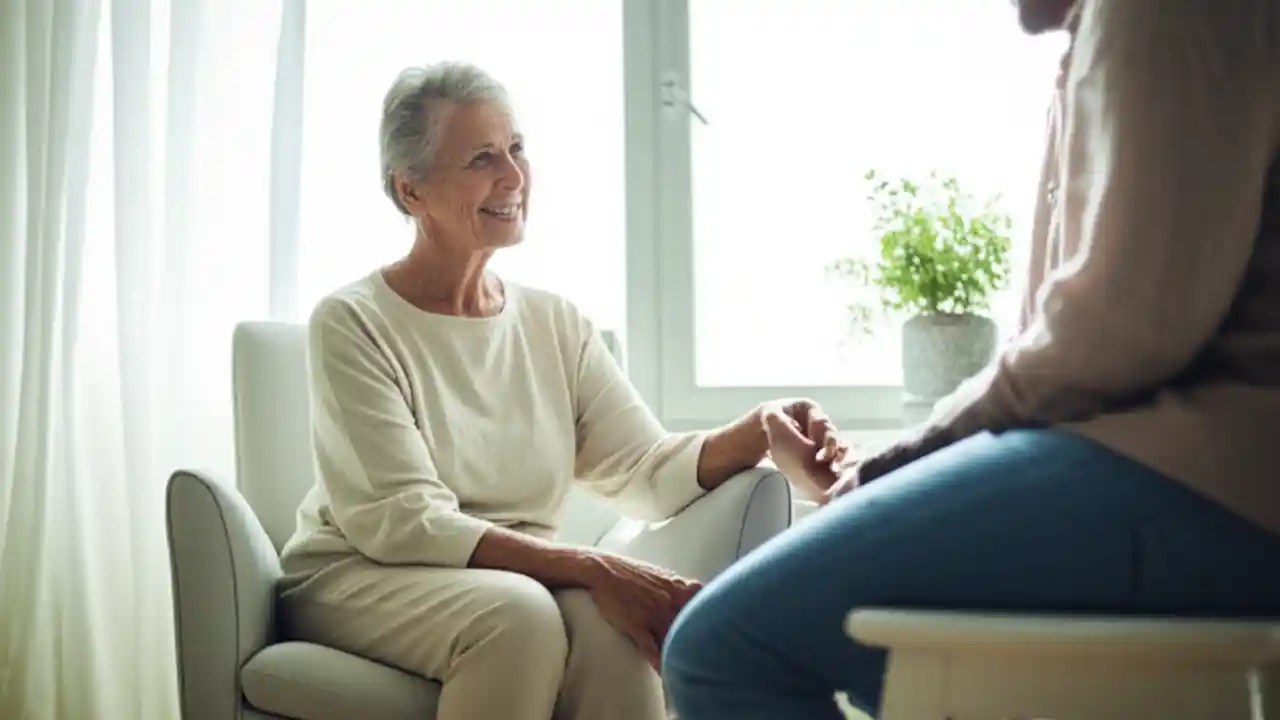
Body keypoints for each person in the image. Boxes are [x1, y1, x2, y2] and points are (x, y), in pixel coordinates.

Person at [663, 0, 1280, 717]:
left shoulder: (1153, 15)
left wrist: (895, 464)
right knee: (898, 674)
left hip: (1210, 482)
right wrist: (898, 466)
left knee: (720, 646)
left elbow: (1119, 332)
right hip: (1192, 476)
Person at [275, 62, 845, 720]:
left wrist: (762, 432)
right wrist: (594, 567)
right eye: (482, 158)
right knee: (521, 617)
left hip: (509, 582)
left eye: (516, 148)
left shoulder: (555, 323)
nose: (514, 177)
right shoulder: (354, 322)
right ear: (412, 191)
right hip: (360, 574)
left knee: (611, 626)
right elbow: (407, 522)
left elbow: (644, 470)